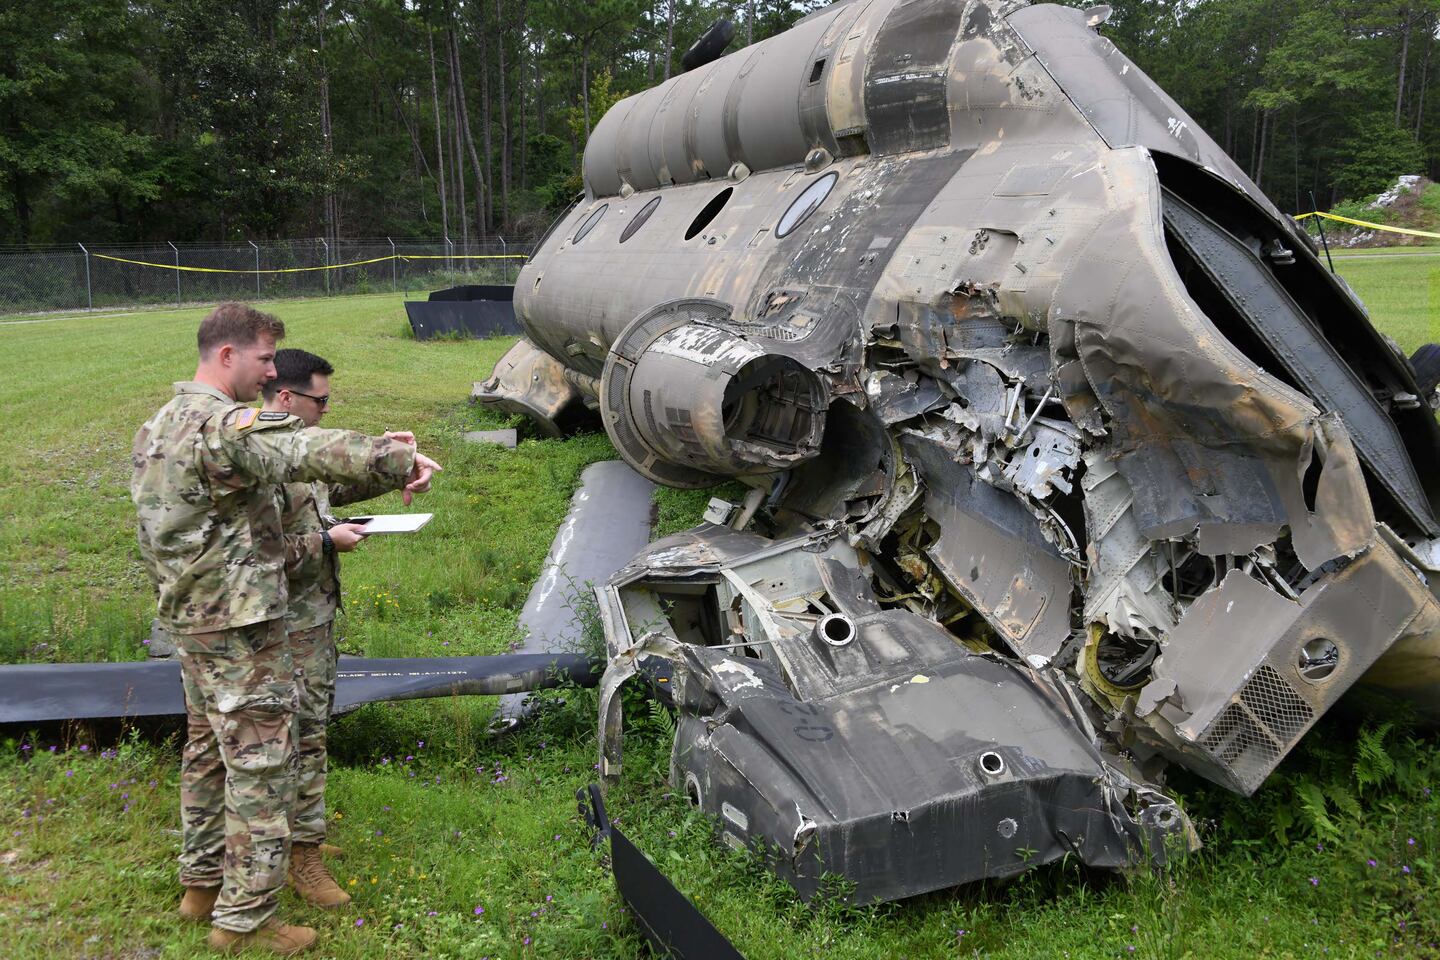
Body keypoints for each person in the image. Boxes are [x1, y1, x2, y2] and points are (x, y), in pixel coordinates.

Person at [131, 303, 440, 955]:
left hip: (194, 622)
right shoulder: (222, 426)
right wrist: (392, 456)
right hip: (242, 630)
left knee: (208, 754)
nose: (272, 372)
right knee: (263, 768)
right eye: (265, 359)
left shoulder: (160, 425)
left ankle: (202, 885)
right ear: (226, 356)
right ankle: (243, 921)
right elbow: (298, 446)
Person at [259, 348, 401, 910]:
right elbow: (253, 554)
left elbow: (327, 494)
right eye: (320, 400)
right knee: (299, 737)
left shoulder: (295, 456)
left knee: (310, 730)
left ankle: (302, 837)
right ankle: (302, 860)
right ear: (288, 398)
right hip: (282, 624)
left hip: (310, 620)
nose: (326, 410)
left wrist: (386, 476)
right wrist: (324, 542)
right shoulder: (262, 458)